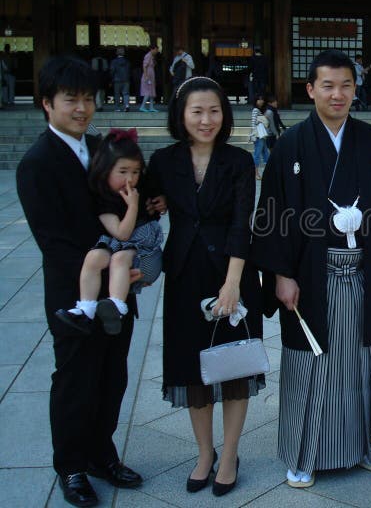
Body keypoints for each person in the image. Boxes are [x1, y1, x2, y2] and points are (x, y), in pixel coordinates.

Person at [251, 49, 371, 488]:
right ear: (310, 89)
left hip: (361, 269)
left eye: (346, 85)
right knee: (309, 361)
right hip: (309, 274)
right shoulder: (291, 145)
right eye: (328, 86)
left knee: (361, 358)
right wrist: (281, 274)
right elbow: (272, 213)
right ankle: (304, 454)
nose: (338, 94)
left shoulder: (369, 140)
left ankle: (367, 444)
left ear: (355, 89)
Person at [16, 56, 143, 507]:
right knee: (75, 381)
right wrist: (110, 273)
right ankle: (71, 465)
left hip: (119, 291)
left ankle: (100, 453)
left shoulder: (103, 147)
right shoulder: (36, 163)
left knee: (113, 375)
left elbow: (128, 199)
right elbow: (53, 243)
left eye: (88, 98)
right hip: (75, 295)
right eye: (71, 99)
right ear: (46, 103)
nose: (82, 108)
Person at [146, 76, 264, 497]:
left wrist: (233, 284)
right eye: (196, 111)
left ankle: (229, 454)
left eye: (214, 110)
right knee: (191, 368)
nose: (206, 119)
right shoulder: (163, 161)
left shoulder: (238, 161)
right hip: (184, 274)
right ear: (181, 115)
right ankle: (203, 453)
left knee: (234, 367)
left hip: (232, 271)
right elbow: (143, 202)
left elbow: (242, 224)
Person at [54, 129, 163, 336]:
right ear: (105, 170)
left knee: (120, 258)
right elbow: (122, 233)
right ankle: (86, 309)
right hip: (120, 241)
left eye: (135, 171)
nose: (130, 179)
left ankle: (117, 306)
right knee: (94, 257)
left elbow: (158, 198)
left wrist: (160, 201)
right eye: (122, 171)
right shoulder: (104, 200)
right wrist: (133, 206)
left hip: (144, 251)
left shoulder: (141, 188)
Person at [250, 94, 270, 179]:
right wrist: (253, 134)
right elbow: (253, 123)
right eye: (259, 99)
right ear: (256, 101)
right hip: (258, 135)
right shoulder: (255, 110)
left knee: (266, 154)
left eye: (262, 99)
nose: (261, 101)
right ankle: (255, 173)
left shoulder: (259, 110)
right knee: (257, 154)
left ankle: (269, 171)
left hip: (262, 135)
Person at [109, 47, 131, 112]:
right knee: (126, 93)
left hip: (117, 80)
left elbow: (112, 71)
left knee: (117, 94)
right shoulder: (127, 61)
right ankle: (126, 105)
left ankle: (117, 108)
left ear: (116, 53)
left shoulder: (114, 61)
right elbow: (129, 70)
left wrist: (111, 79)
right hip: (126, 79)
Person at [139, 45, 158, 112]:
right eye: (156, 50)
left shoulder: (152, 56)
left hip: (151, 74)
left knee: (152, 92)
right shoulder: (148, 56)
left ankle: (151, 107)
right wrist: (146, 76)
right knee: (148, 91)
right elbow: (144, 66)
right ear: (152, 49)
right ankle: (142, 106)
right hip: (148, 75)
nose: (156, 51)